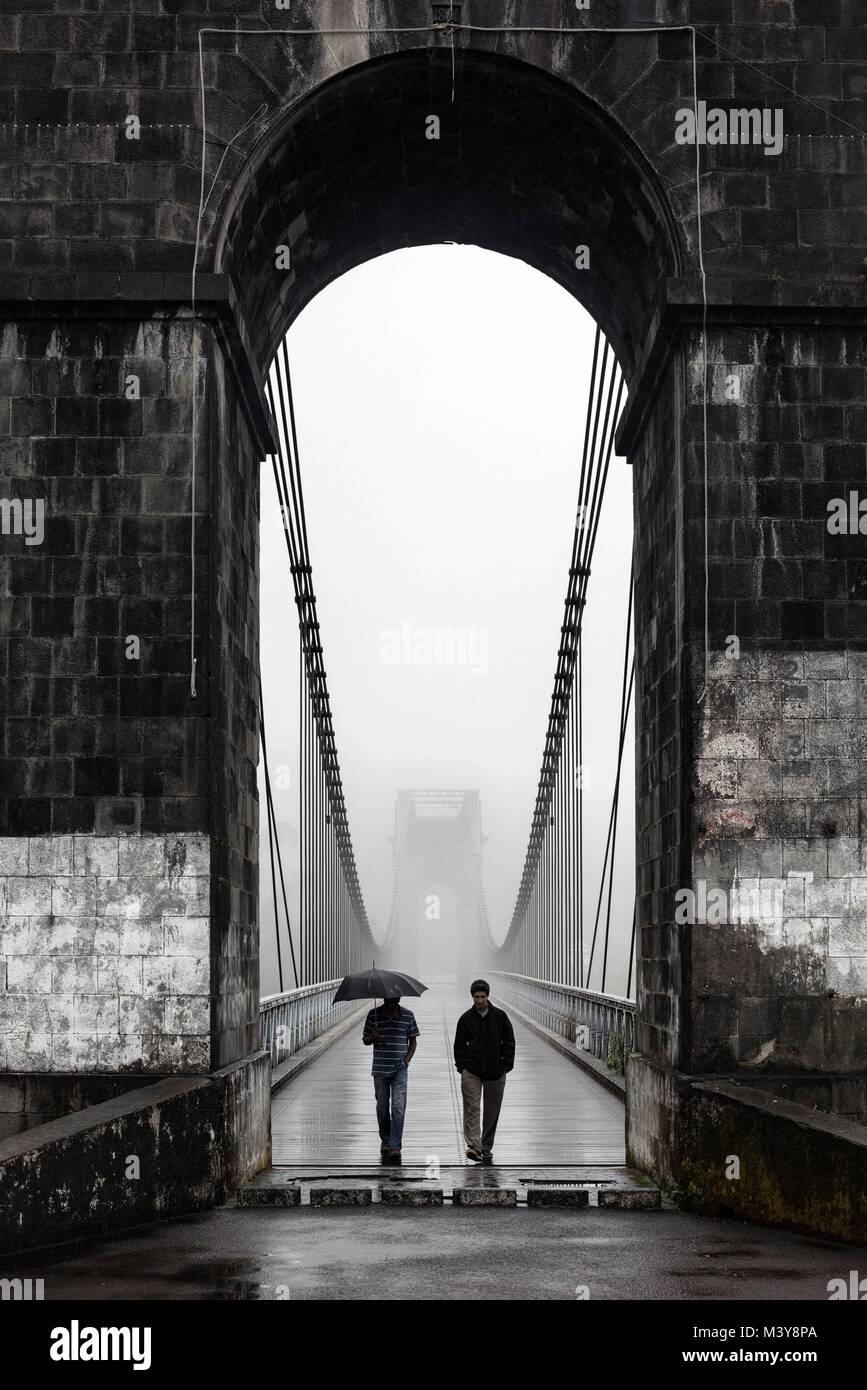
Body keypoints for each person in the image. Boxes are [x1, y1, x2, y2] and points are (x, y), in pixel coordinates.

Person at [453, 979, 515, 1165]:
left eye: (482, 996)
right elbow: (459, 1045)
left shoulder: (500, 1017)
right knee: (472, 1108)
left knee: (491, 1112)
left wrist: (506, 1066)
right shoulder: (465, 1019)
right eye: (476, 997)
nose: (479, 1000)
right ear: (472, 997)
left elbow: (509, 1042)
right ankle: (474, 1146)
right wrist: (461, 1067)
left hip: (496, 1071)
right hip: (471, 1071)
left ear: (488, 996)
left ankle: (486, 1147)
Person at [362, 995, 419, 1164]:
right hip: (380, 1069)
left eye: (394, 1003)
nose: (390, 1006)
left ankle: (395, 1145)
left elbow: (413, 1042)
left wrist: (407, 1060)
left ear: (398, 1001)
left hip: (400, 1068)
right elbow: (365, 1040)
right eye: (388, 1003)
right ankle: (385, 1139)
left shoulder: (408, 1015)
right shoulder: (374, 1015)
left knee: (398, 1106)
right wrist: (373, 1036)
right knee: (381, 1106)